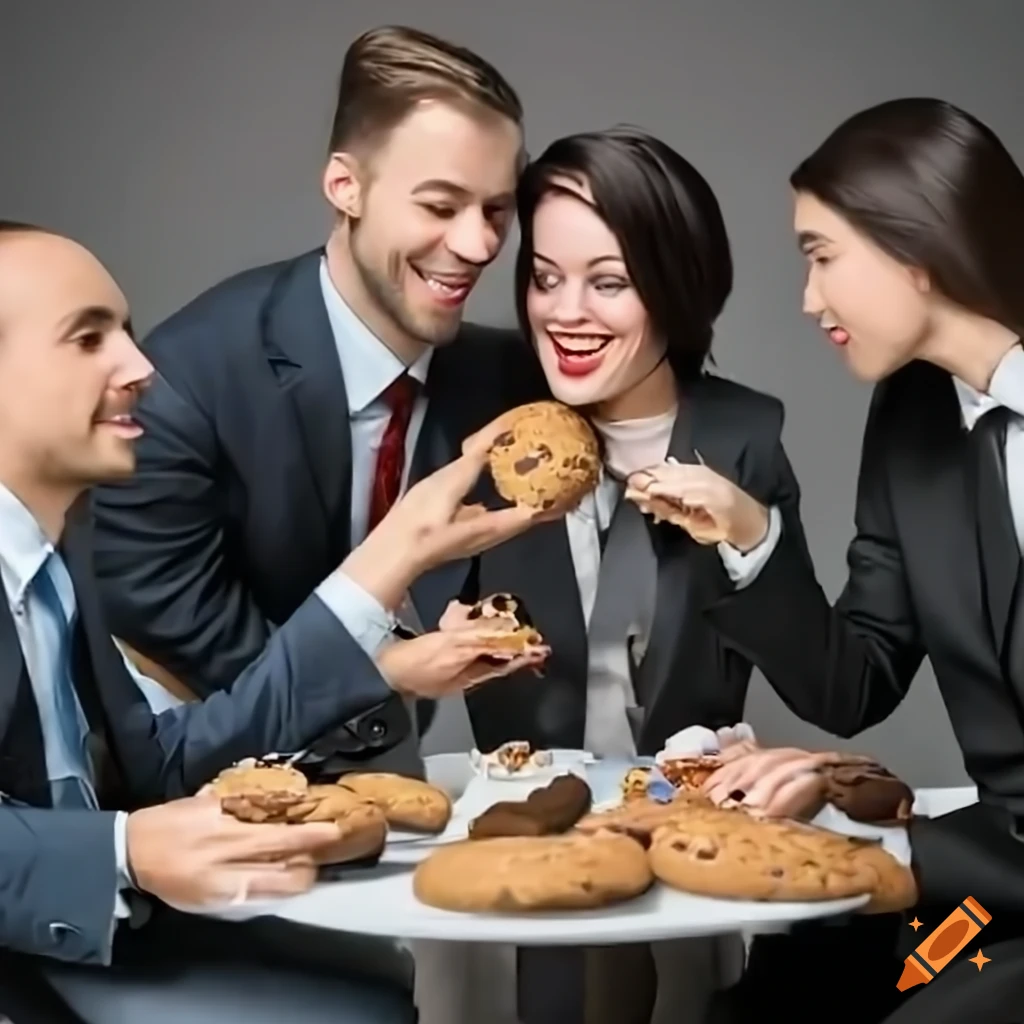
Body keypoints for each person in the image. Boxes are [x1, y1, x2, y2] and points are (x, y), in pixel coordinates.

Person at [0, 219, 548, 1024]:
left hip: (98, 926)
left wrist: (386, 643)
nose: (141, 366)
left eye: (124, 331)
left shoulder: (63, 554)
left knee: (374, 980)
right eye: (88, 339)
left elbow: (158, 765)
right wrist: (124, 850)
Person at [629, 98, 1024, 1022]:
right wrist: (749, 534)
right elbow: (857, 681)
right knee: (784, 994)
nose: (808, 300)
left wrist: (900, 848)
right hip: (990, 899)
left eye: (821, 256)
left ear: (915, 247)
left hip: (991, 887)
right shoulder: (914, 416)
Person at [89, 25, 543, 774]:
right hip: (212, 799)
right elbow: (222, 675)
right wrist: (392, 675)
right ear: (344, 186)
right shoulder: (181, 389)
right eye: (440, 206)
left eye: (497, 211)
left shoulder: (508, 383)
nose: (480, 245)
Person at [456, 126, 816, 1024]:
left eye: (609, 282)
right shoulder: (489, 432)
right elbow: (398, 634)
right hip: (519, 837)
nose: (565, 312)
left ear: (677, 286)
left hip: (685, 837)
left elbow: (825, 680)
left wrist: (751, 534)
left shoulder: (744, 438)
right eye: (545, 278)